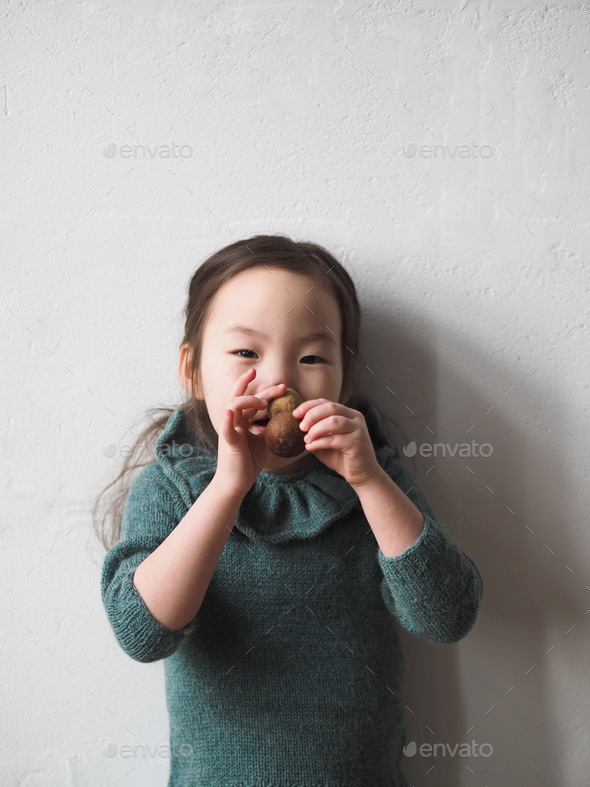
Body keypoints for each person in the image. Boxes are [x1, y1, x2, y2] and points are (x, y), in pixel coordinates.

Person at [97, 233, 484, 786]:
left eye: (311, 356)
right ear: (192, 370)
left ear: (345, 381)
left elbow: (447, 617)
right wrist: (228, 487)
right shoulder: (173, 485)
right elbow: (142, 634)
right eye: (245, 353)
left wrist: (370, 481)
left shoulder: (372, 477)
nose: (280, 380)